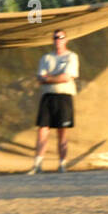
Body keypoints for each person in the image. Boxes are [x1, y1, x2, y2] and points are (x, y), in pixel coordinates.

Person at [30, 29, 79, 174]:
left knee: (62, 131)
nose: (58, 40)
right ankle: (37, 164)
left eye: (60, 37)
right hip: (48, 96)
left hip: (64, 96)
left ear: (66, 40)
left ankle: (62, 164)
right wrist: (55, 77)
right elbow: (40, 78)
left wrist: (49, 78)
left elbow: (67, 77)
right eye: (55, 38)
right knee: (42, 130)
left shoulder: (71, 57)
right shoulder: (46, 58)